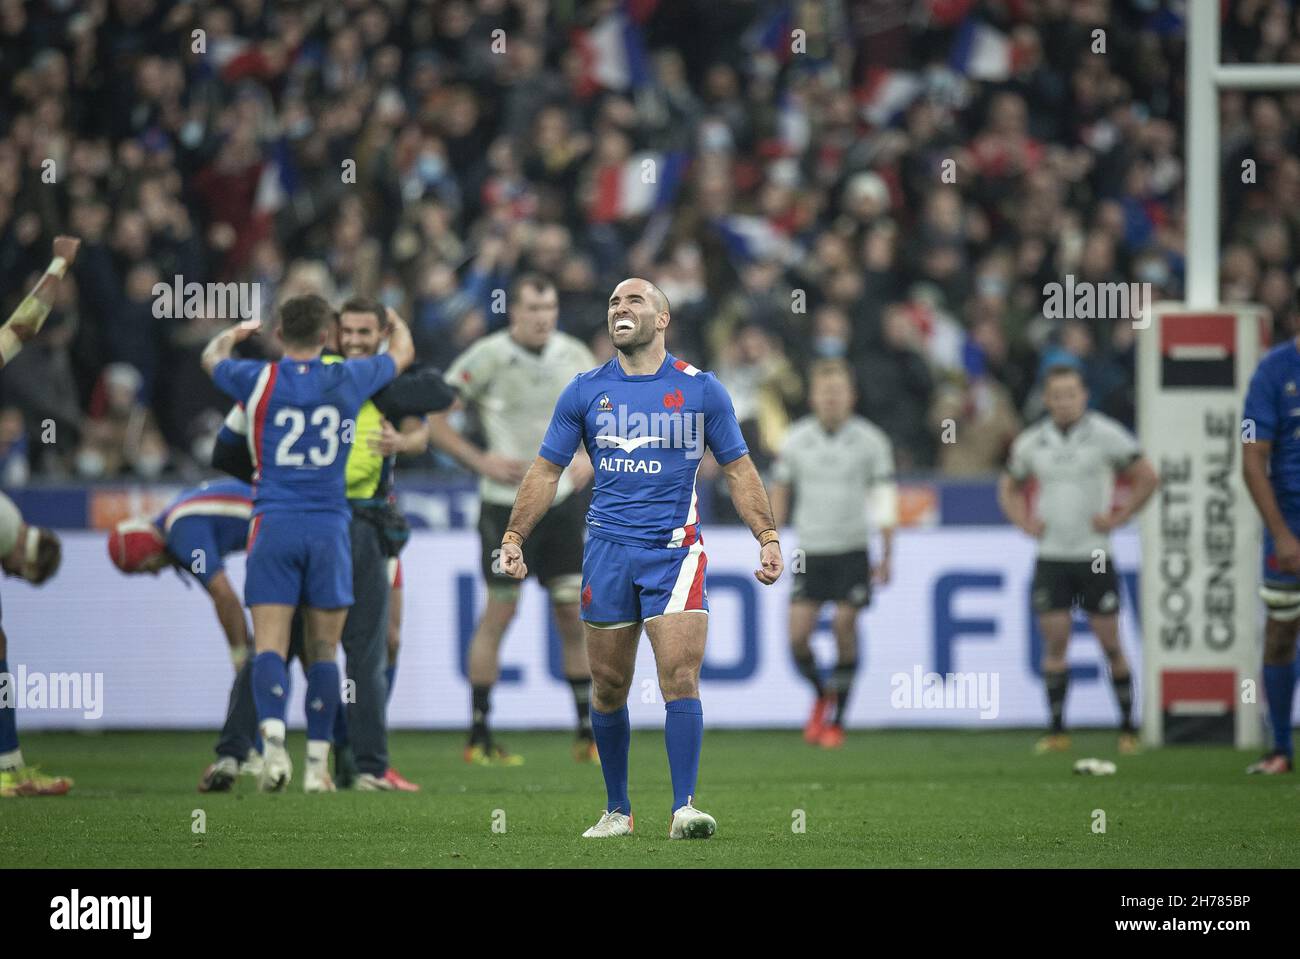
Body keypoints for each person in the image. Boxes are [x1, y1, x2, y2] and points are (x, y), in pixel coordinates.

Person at [500, 277, 783, 839]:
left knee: (680, 674)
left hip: (674, 552)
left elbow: (738, 468)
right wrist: (514, 536)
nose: (620, 309)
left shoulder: (702, 390)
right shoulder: (583, 391)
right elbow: (546, 470)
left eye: (634, 301)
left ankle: (683, 808)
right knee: (607, 685)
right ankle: (618, 810)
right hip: (605, 551)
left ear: (663, 318)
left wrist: (768, 536)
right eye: (612, 302)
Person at [211, 300, 453, 790]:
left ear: (281, 332)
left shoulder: (263, 380)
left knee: (289, 646)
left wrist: (232, 338)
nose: (360, 339)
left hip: (294, 520)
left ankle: (318, 756)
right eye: (351, 330)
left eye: (370, 330)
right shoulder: (355, 380)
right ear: (330, 334)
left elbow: (434, 393)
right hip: (332, 522)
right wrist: (397, 328)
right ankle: (302, 762)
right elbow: (422, 377)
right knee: (332, 648)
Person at [430, 273, 596, 765]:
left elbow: (600, 416)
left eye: (550, 309)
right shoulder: (487, 356)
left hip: (562, 501)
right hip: (505, 501)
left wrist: (587, 459)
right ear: (514, 312)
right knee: (500, 611)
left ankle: (587, 735)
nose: (543, 319)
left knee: (572, 613)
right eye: (533, 309)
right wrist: (479, 460)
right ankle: (479, 735)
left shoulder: (575, 355)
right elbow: (435, 415)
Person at [998, 364, 1159, 755]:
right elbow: (1009, 485)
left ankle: (1127, 729)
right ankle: (1056, 730)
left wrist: (1120, 516)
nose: (1065, 402)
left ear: (1084, 396)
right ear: (1047, 399)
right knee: (1055, 643)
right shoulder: (1032, 441)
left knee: (1110, 642)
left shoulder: (1106, 435)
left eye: (1071, 394)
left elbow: (1147, 476)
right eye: (1057, 395)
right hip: (1052, 555)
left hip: (1095, 555)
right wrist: (1022, 520)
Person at [769, 359, 897, 749]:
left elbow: (884, 499)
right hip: (811, 549)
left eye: (838, 392)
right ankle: (823, 694)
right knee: (797, 638)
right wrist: (770, 534)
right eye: (825, 392)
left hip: (853, 549)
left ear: (851, 396)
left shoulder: (871, 441)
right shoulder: (795, 439)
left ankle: (837, 720)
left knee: (844, 624)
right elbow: (780, 487)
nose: (831, 399)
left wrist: (887, 552)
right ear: (813, 397)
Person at [107, 479, 258, 792]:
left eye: (144, 567)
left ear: (150, 550)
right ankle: (330, 756)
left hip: (283, 525)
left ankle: (244, 753)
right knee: (295, 652)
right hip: (289, 520)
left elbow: (225, 596)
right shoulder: (181, 517)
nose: (151, 573)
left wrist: (239, 654)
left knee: (260, 659)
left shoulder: (182, 535)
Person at [1243, 325, 1300, 773]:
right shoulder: (1272, 372)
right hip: (1291, 524)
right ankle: (1281, 747)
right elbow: (1251, 458)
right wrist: (1280, 533)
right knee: (1282, 632)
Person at [0, 494, 67, 797]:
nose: (8, 574)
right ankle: (7, 765)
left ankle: (8, 762)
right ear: (27, 559)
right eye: (16, 573)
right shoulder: (6, 531)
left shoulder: (9, 520)